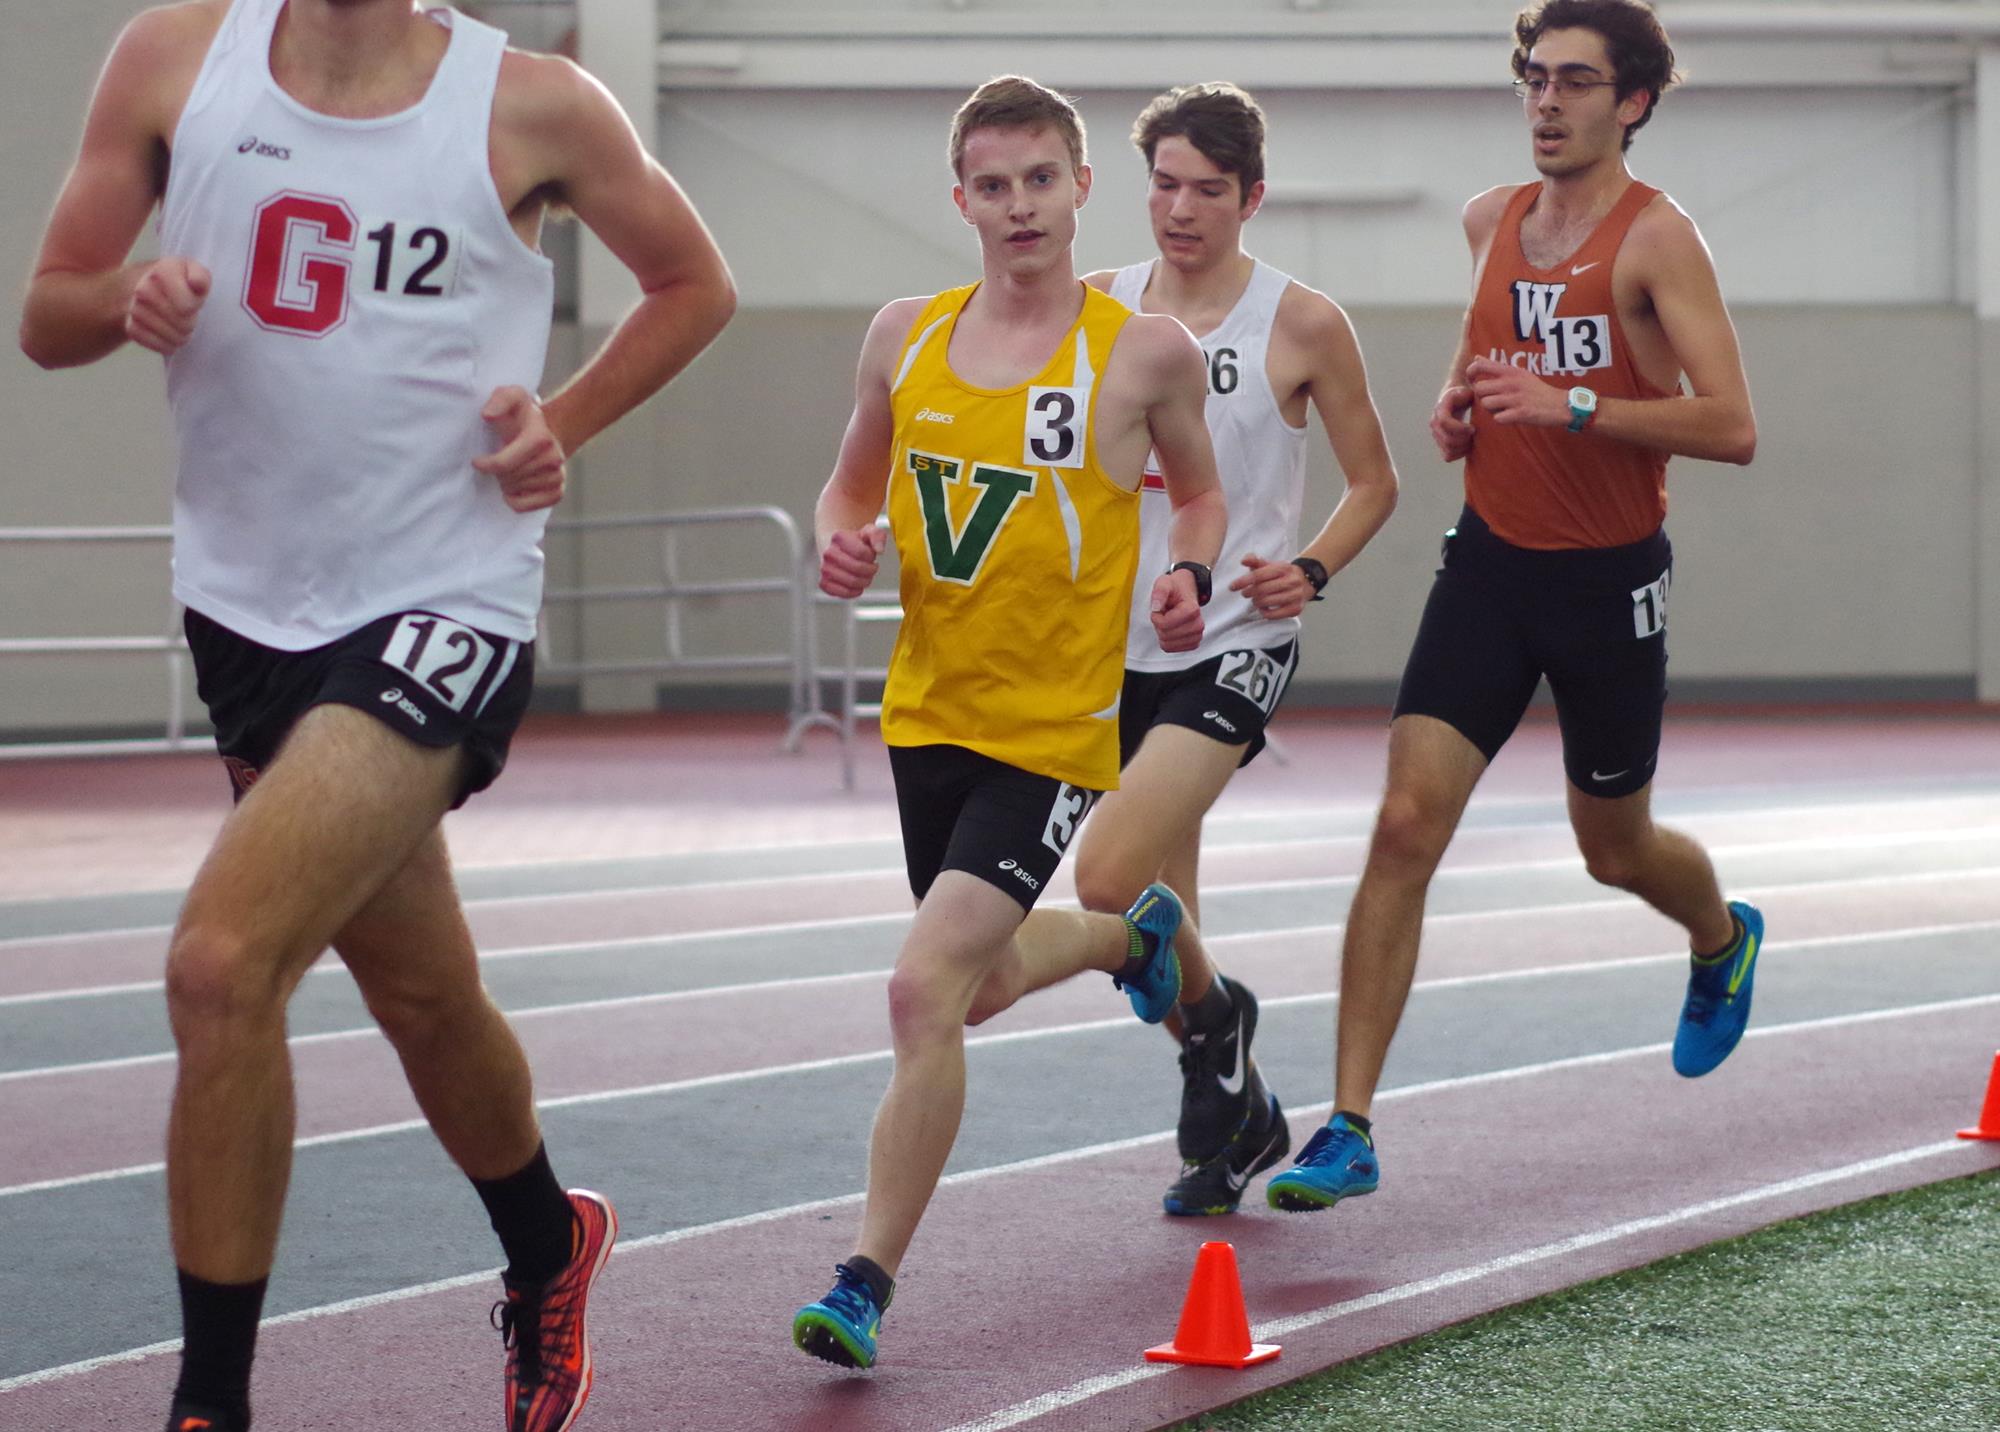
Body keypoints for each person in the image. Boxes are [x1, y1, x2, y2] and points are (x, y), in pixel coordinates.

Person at [20, 2, 735, 1428]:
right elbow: (49, 310)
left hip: (445, 599)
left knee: (222, 966)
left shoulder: (532, 103)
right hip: (248, 614)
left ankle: (208, 1404)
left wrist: (563, 422)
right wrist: (127, 299)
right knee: (421, 995)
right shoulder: (173, 59)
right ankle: (550, 1247)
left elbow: (691, 283)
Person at [1265, 0, 1761, 1214]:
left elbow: (1732, 426)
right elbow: (1487, 354)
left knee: (1614, 849)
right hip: (1488, 566)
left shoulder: (1657, 243)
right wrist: (1457, 403)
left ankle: (1718, 936)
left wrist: (1576, 408)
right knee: (1401, 826)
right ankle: (1346, 1126)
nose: (1546, 101)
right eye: (1533, 78)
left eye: (1576, 83)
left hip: (1606, 585)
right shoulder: (1491, 219)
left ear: (1631, 103)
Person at [793, 75, 1227, 1371]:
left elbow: (1197, 498)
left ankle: (864, 1278)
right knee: (971, 992)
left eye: (1042, 179)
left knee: (921, 990)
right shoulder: (903, 337)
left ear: (1082, 188)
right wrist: (842, 544)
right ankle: (1122, 939)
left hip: (1051, 732)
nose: (1020, 205)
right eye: (995, 184)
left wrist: (1189, 572)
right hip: (926, 716)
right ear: (962, 199)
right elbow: (846, 488)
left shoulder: (1141, 349)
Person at [1074, 81, 1398, 1217]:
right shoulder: (1096, 308)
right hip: (1108, 647)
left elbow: (1375, 481)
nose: (1180, 209)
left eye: (1207, 190)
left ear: (1250, 198)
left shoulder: (1300, 321)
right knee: (1165, 911)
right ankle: (1231, 1093)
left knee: (1110, 882)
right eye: (1163, 184)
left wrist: (1307, 569)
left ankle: (1218, 1039)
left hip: (1237, 641)